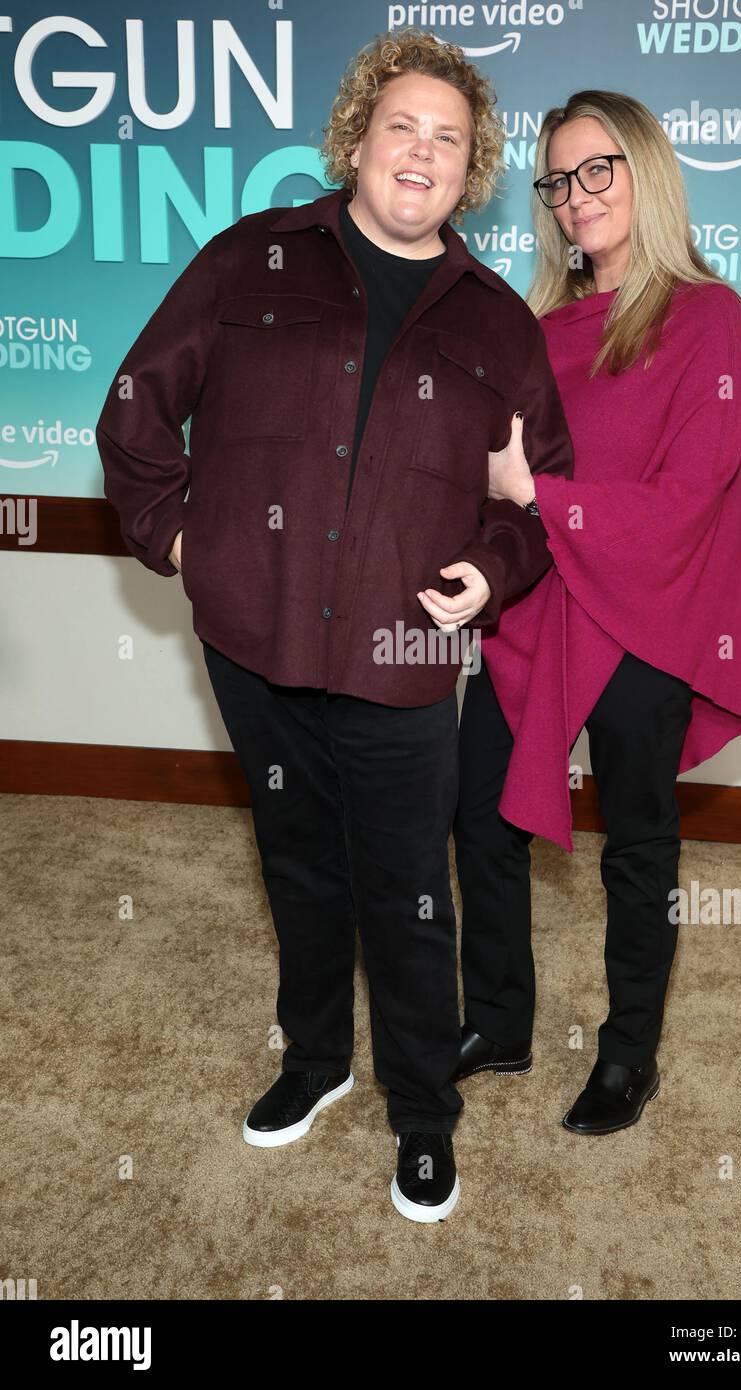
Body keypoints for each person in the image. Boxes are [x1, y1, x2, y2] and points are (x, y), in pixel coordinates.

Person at [96, 29, 574, 1221]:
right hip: (253, 642)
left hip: (404, 657)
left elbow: (536, 497)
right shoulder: (248, 261)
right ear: (356, 140)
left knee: (409, 889)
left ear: (471, 174)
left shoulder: (498, 327)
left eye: (448, 139)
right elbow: (134, 409)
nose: (421, 151)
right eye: (401, 126)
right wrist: (180, 538)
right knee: (296, 863)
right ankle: (314, 1060)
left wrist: (490, 570)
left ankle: (423, 1112)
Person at [452, 90, 741, 1135]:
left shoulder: (705, 313)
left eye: (597, 171)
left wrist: (540, 496)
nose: (574, 198)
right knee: (475, 808)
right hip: (542, 603)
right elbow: (492, 476)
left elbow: (692, 490)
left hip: (649, 609)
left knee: (638, 841)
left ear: (643, 174)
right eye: (556, 180)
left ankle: (629, 1054)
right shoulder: (537, 330)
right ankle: (497, 1021)